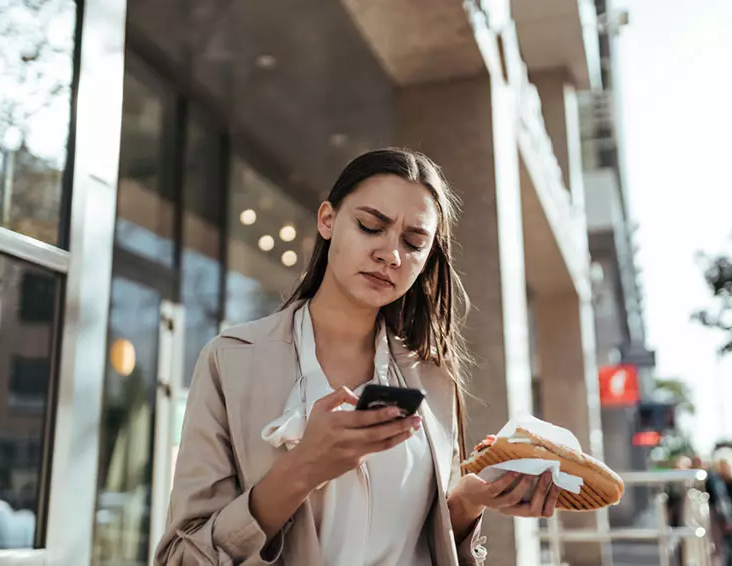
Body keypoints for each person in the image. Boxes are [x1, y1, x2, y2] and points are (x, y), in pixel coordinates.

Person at [154, 148, 562, 566]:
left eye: (414, 243)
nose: (391, 255)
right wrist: (302, 469)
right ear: (327, 220)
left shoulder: (432, 379)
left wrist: (466, 506)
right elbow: (181, 558)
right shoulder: (231, 362)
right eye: (370, 226)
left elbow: (428, 544)